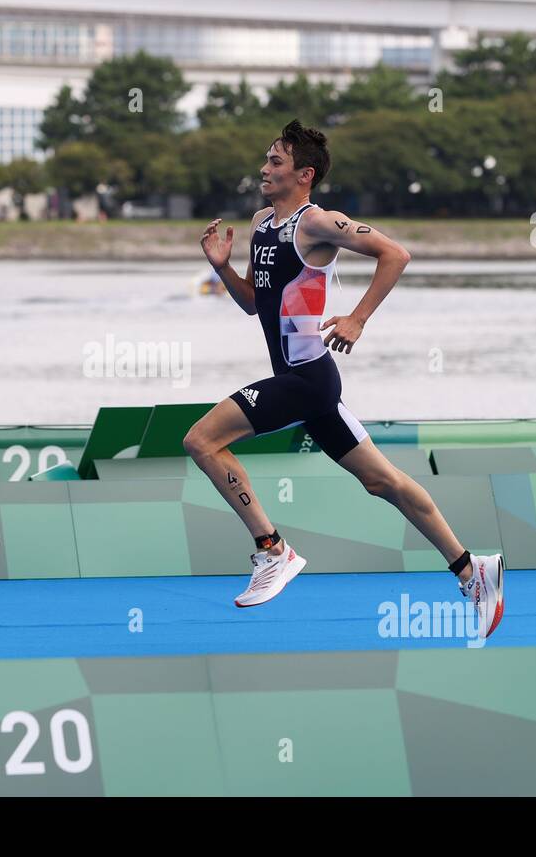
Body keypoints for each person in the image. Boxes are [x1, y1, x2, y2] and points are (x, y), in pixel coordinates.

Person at [190, 120, 504, 636]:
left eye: (275, 162)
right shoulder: (263, 222)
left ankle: (273, 550)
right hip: (304, 383)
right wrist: (223, 269)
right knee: (384, 482)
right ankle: (472, 571)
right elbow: (255, 305)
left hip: (307, 378)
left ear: (304, 174)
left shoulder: (319, 224)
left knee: (202, 440)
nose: (263, 170)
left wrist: (358, 317)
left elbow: (395, 254)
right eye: (266, 159)